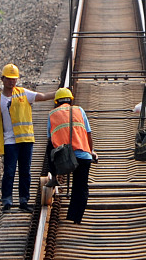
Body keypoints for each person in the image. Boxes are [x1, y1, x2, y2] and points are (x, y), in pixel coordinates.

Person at [0, 63, 57, 212]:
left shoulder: (23, 93)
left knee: (25, 172)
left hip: (26, 140)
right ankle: (7, 201)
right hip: (9, 141)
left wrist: (59, 93)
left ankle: (23, 201)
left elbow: (42, 96)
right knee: (9, 172)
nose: (12, 81)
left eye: (14, 79)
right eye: (9, 78)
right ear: (2, 79)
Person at [48, 87, 95, 224]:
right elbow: (88, 133)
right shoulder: (79, 110)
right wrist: (91, 151)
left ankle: (54, 177)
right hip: (83, 155)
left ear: (56, 102)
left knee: (49, 147)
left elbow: (50, 139)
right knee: (81, 186)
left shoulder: (52, 114)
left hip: (63, 157)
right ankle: (76, 218)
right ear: (71, 100)